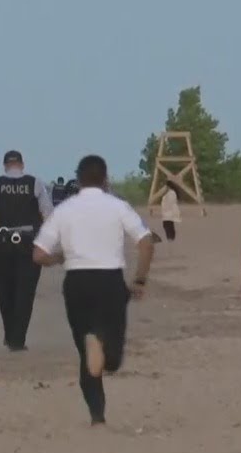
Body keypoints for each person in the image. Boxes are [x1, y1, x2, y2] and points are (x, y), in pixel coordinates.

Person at [33, 155, 154, 426]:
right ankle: (102, 350)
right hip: (110, 281)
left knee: (86, 354)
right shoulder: (118, 207)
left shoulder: (64, 210)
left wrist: (60, 258)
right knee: (112, 355)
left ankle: (97, 416)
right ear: (105, 178)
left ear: (78, 179)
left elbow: (38, 254)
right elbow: (146, 243)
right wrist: (140, 280)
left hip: (77, 283)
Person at [0, 150, 53, 351]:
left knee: (4, 291)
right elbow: (48, 214)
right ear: (22, 165)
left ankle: (9, 334)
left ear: (5, 166)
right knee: (25, 292)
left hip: (2, 243)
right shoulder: (36, 183)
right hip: (28, 243)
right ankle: (18, 339)